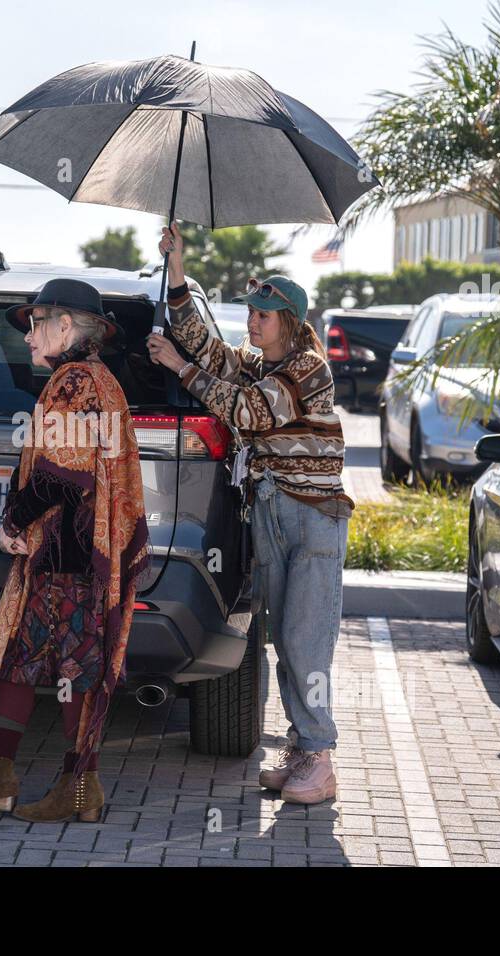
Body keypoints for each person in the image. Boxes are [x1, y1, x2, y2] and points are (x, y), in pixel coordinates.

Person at [146, 221, 353, 805]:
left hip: (313, 517)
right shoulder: (263, 363)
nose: (251, 323)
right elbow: (206, 346)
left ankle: (320, 758)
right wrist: (178, 270)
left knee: (307, 641)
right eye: (251, 314)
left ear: (287, 320)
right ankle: (304, 751)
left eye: (261, 316)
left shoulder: (307, 368)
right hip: (274, 512)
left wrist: (180, 370)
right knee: (286, 640)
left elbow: (248, 411)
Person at [0, 278, 149, 823]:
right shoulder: (99, 381)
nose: (28, 337)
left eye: (36, 323)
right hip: (67, 549)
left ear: (66, 326)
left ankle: (80, 789)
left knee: (74, 666)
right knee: (22, 660)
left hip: (68, 552)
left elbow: (60, 477)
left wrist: (12, 521)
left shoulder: (76, 382)